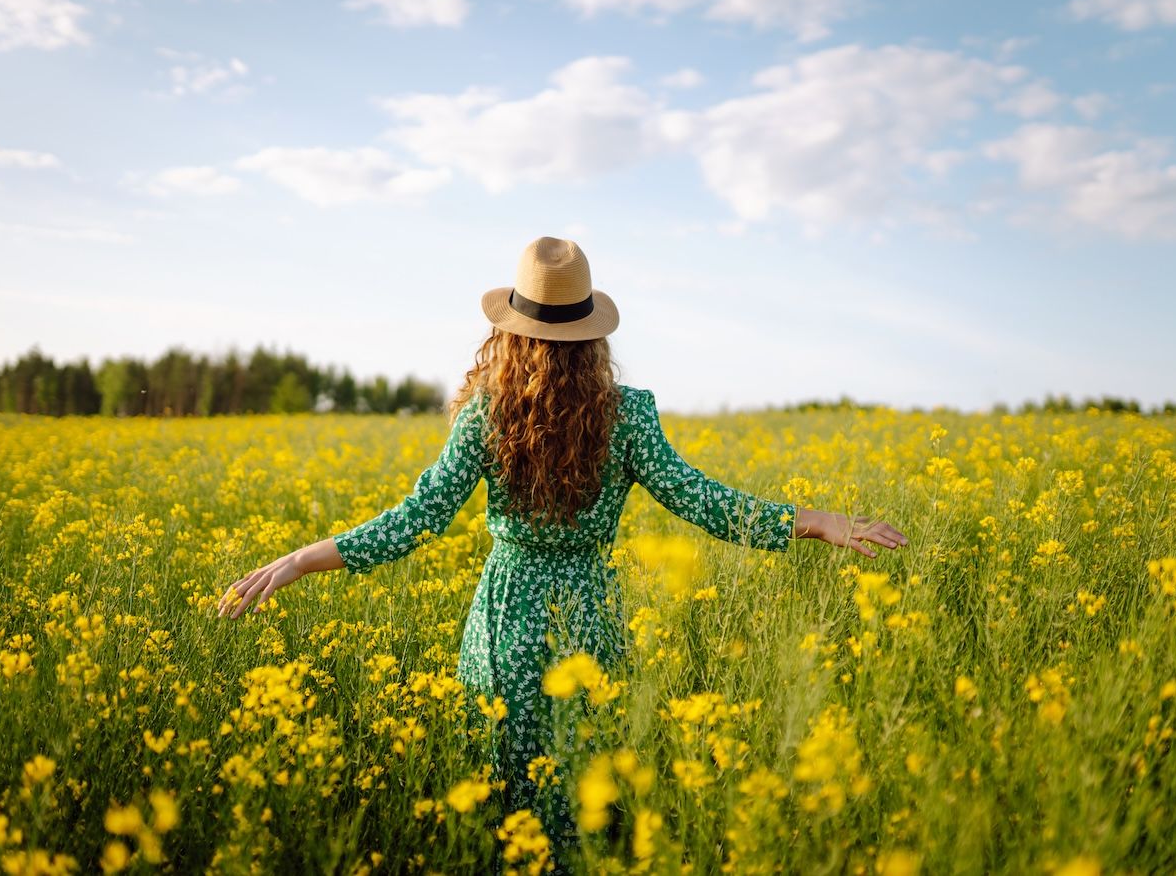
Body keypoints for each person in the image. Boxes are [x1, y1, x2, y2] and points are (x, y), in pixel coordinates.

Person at [217, 236, 908, 870]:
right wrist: (812, 521)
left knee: (504, 808)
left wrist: (302, 559)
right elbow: (703, 500)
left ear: (508, 331)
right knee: (583, 801)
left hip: (504, 625)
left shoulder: (485, 414)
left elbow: (416, 518)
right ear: (592, 336)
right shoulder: (628, 413)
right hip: (588, 628)